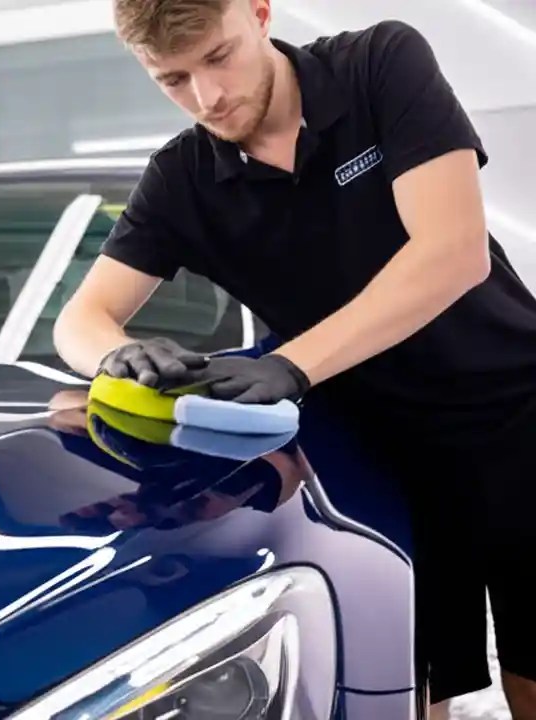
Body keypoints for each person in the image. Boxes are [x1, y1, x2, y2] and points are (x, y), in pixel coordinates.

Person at [52, 1, 536, 717]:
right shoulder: (183, 178)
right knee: (409, 686)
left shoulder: (377, 66)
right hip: (381, 460)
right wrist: (118, 352)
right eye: (173, 80)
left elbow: (453, 251)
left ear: (258, 13)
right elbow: (78, 320)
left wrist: (292, 364)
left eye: (218, 57)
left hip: (514, 417)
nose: (207, 97)